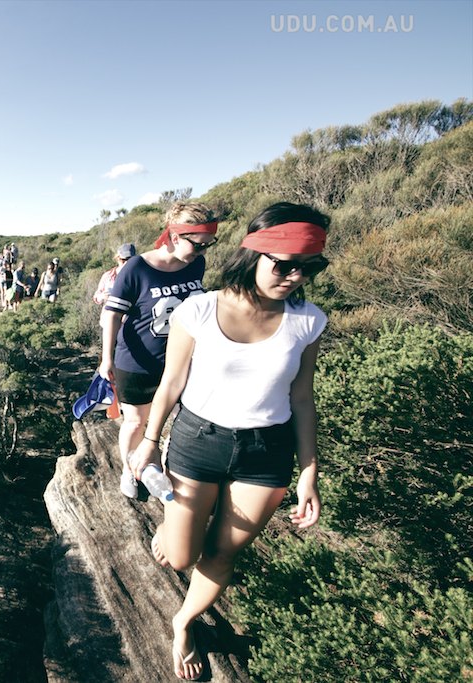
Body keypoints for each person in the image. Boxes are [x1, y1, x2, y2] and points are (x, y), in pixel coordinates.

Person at [129, 202, 330, 680]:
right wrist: (149, 441)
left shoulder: (308, 321)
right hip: (200, 441)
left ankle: (184, 621)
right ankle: (174, 528)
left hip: (266, 452)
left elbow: (303, 399)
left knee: (222, 553)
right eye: (284, 265)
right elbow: (171, 384)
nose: (295, 277)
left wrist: (309, 474)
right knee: (179, 557)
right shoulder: (198, 310)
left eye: (308, 267)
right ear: (254, 253)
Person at [99, 202, 218, 501]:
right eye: (198, 245)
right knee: (136, 422)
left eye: (207, 246)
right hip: (138, 363)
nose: (202, 253)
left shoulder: (196, 264)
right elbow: (112, 314)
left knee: (179, 422)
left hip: (182, 363)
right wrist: (107, 358)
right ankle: (130, 470)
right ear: (176, 237)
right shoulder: (136, 268)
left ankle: (165, 470)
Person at [93, 243, 136, 326]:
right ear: (118, 258)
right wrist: (102, 296)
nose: (126, 263)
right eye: (124, 260)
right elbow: (96, 296)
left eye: (130, 260)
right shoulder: (107, 276)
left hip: (131, 322)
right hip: (109, 321)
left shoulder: (139, 276)